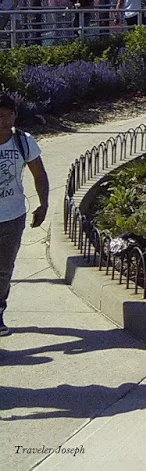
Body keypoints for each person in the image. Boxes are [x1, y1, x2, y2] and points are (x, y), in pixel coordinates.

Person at [0, 91, 49, 336]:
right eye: (0, 116)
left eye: (9, 115)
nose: (4, 121)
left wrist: (43, 204)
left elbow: (39, 174)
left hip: (12, 215)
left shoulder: (23, 140)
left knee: (4, 269)